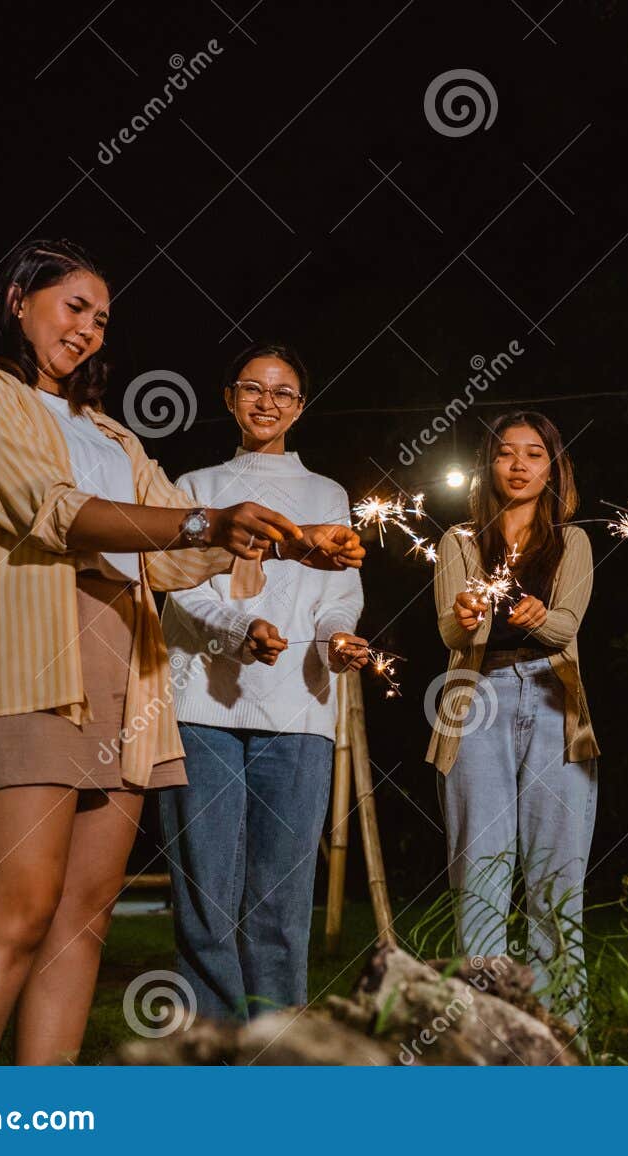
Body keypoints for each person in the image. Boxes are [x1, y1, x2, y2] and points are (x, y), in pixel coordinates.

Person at [0, 240, 362, 1065]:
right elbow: (52, 510)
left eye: (101, 319)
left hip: (131, 672)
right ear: (18, 298)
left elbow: (180, 553)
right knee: (15, 910)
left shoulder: (112, 435)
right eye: (73, 307)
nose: (87, 330)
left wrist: (295, 547)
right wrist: (205, 524)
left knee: (81, 920)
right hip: (30, 663)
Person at [159, 341, 371, 1022]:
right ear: (229, 398)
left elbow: (341, 591)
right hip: (202, 708)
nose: (266, 403)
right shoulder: (195, 486)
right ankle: (216, 1047)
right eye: (253, 388)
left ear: (301, 407)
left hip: (299, 710)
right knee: (205, 896)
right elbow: (175, 589)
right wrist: (235, 629)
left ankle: (279, 1049)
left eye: (283, 393)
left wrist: (339, 635)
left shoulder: (327, 493)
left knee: (281, 897)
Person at [428, 411, 597, 1022]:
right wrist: (471, 617)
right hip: (477, 699)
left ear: (553, 467)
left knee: (557, 876)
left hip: (555, 698)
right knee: (479, 875)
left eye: (534, 454)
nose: (519, 465)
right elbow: (449, 629)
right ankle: (480, 1029)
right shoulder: (460, 541)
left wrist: (534, 617)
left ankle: (563, 1034)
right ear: (489, 466)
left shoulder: (572, 541)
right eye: (506, 454)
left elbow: (566, 626)